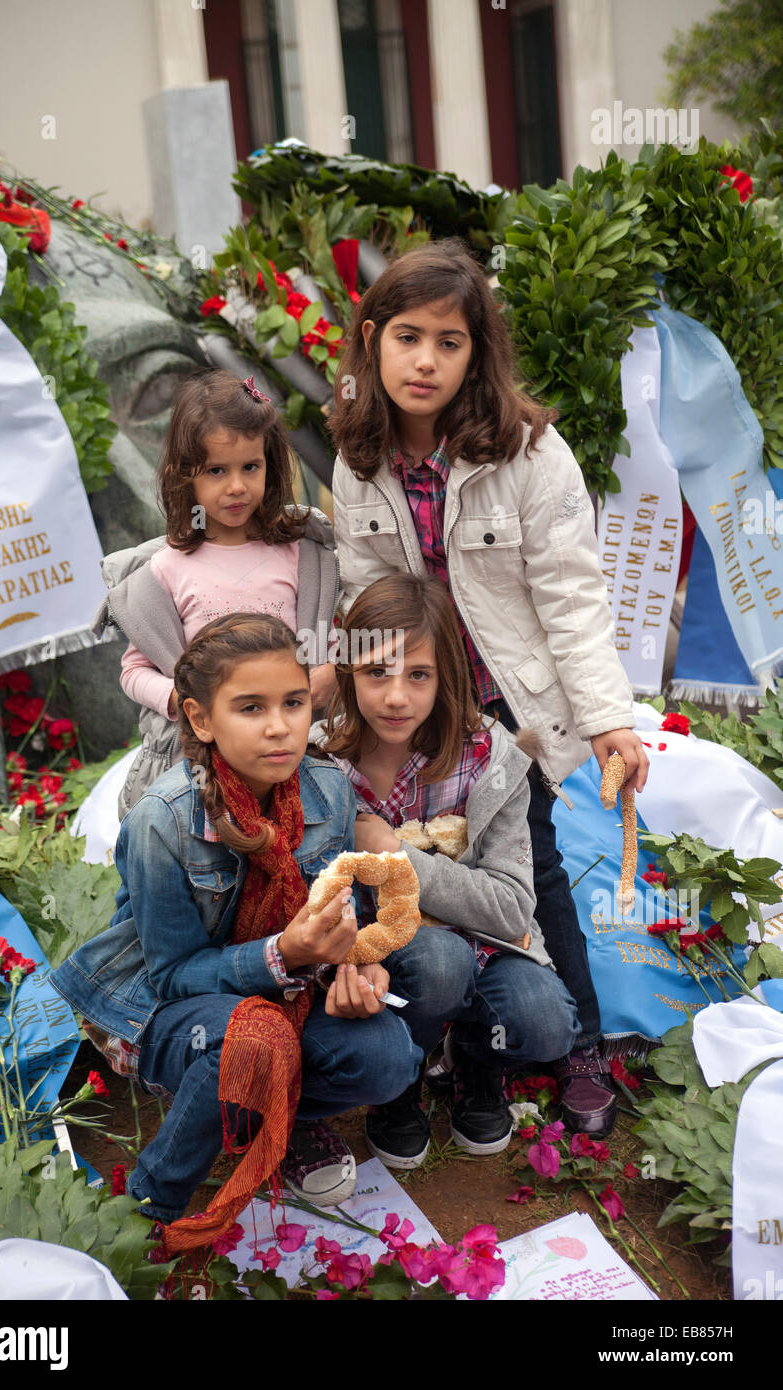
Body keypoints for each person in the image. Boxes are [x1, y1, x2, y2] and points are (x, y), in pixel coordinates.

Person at [328, 239, 650, 1136]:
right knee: (404, 865)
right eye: (406, 336)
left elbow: (573, 595)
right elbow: (361, 589)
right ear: (372, 341)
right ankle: (411, 1050)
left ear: (477, 354)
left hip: (507, 702)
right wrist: (363, 702)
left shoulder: (532, 453)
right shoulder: (358, 455)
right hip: (409, 693)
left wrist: (608, 720)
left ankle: (572, 1042)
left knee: (531, 872)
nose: (425, 359)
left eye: (449, 340)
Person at [49, 613, 476, 1237]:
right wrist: (284, 952)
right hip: (174, 1008)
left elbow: (336, 910)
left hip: (291, 990)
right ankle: (151, 1202)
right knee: (257, 1040)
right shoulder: (162, 822)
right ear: (200, 720)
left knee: (388, 1056)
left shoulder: (327, 791)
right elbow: (172, 975)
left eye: (295, 703)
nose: (280, 727)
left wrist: (355, 963)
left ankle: (276, 1115)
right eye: (250, 708)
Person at [314, 574, 580, 1168]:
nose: (395, 697)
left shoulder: (488, 759)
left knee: (544, 1023)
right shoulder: (321, 762)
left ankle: (475, 1063)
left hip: (489, 946)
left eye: (418, 675)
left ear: (446, 677)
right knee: (437, 961)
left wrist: (396, 858)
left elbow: (513, 908)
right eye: (376, 672)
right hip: (381, 962)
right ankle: (401, 1078)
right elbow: (317, 894)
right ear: (347, 671)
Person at [94, 368, 339, 819]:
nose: (236, 486)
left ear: (270, 464)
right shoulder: (168, 570)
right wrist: (176, 699)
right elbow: (133, 670)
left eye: (251, 467)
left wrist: (330, 671)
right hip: (208, 771)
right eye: (216, 471)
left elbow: (330, 637)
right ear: (186, 477)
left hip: (290, 755)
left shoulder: (298, 555)